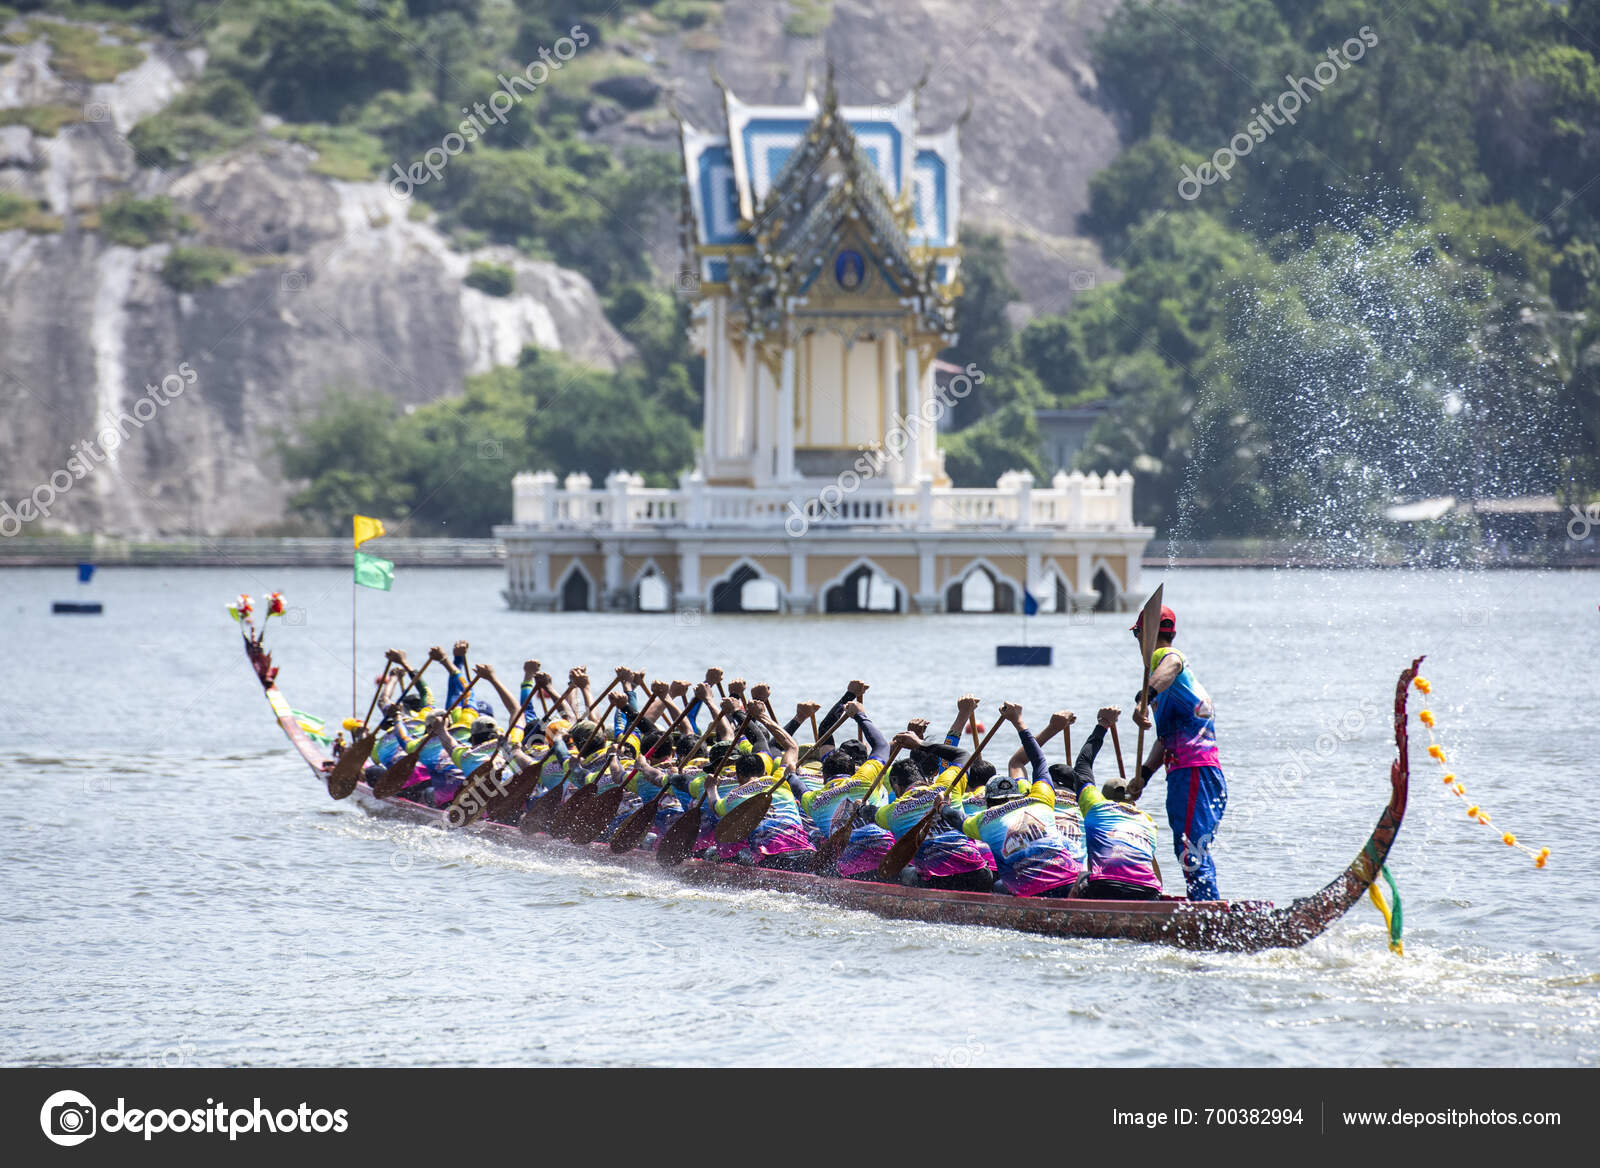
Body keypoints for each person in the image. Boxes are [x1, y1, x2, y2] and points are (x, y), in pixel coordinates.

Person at [1130, 604, 1227, 901]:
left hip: (1193, 770)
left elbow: (1172, 662)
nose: (1138, 644)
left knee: (1190, 847)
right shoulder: (1172, 687)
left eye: (1137, 636)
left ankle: (1206, 912)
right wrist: (1144, 776)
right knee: (1187, 845)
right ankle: (1204, 905)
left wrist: (1143, 698)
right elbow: (1165, 739)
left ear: (1147, 636)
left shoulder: (1165, 659)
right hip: (1192, 772)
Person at [960, 704, 1082, 898]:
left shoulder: (1032, 796)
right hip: (1075, 878)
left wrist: (1049, 727)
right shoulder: (1080, 805)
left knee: (997, 883)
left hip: (1023, 882)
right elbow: (1033, 762)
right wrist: (1050, 727)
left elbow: (1017, 762)